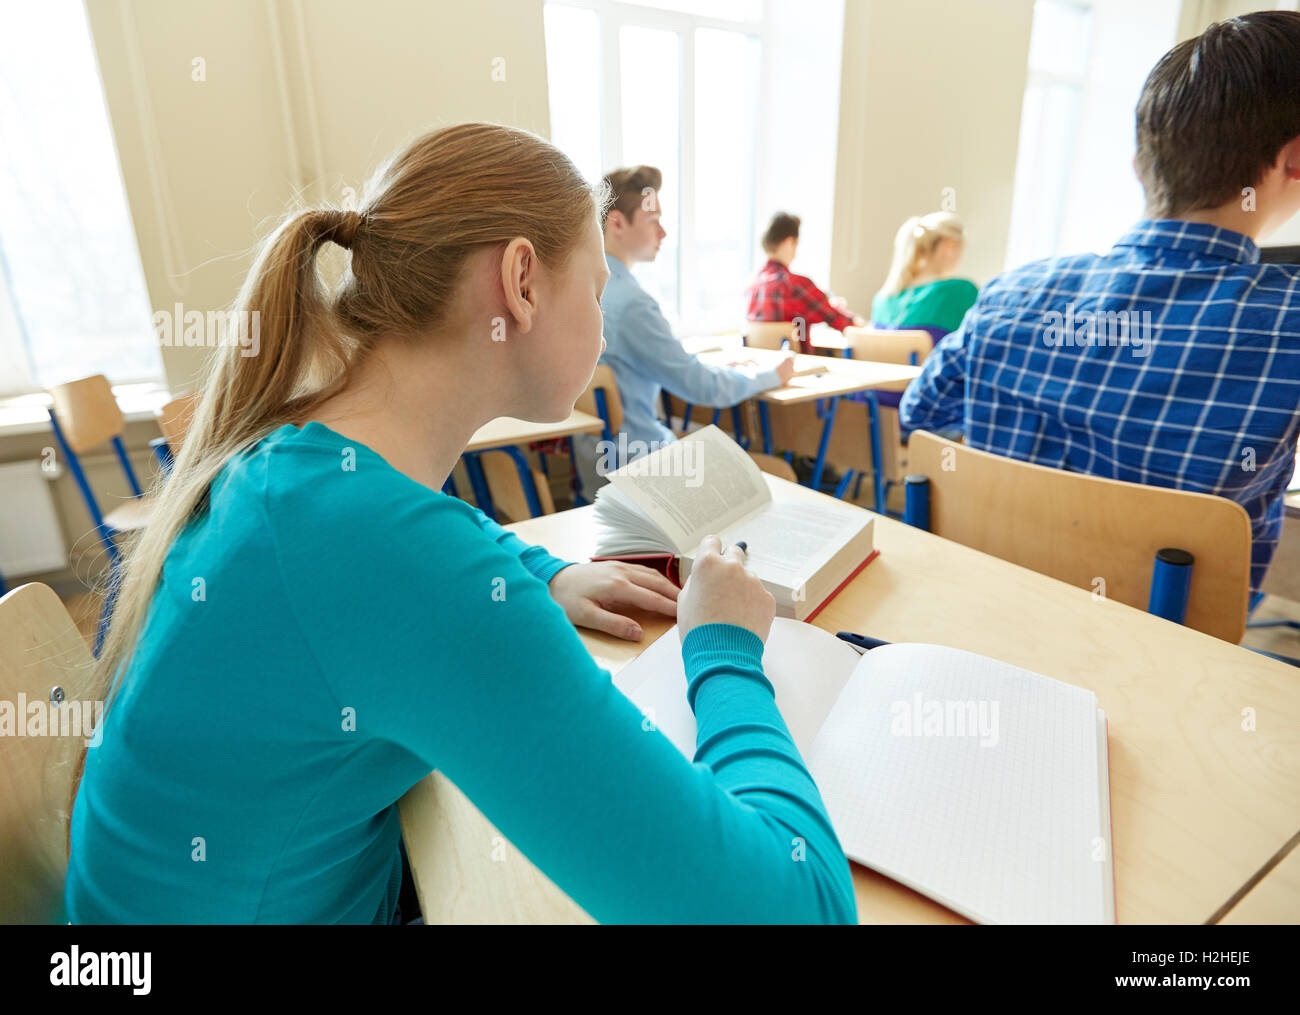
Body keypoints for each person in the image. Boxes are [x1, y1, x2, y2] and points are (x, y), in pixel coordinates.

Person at [61, 124, 856, 925]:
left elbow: (426, 535)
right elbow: (797, 913)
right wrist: (722, 645)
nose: (605, 325)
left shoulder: (297, 463)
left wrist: (548, 572)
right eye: (595, 288)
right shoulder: (392, 556)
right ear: (522, 281)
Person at [900, 11, 1300, 595]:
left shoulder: (1008, 294)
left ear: (1141, 168)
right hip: (1161, 665)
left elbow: (922, 421)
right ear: (1294, 161)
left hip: (978, 619)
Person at [573, 166, 794, 493]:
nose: (663, 233)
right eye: (653, 221)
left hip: (595, 465)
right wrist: (773, 375)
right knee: (781, 475)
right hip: (642, 473)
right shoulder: (633, 303)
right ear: (617, 222)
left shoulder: (581, 289)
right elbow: (703, 388)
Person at [871, 212, 978, 412]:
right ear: (949, 246)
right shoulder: (960, 291)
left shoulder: (883, 298)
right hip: (925, 415)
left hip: (873, 417)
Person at [746, 211, 862, 354]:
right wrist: (859, 322)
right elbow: (838, 320)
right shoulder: (795, 285)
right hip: (796, 368)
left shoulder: (752, 284)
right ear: (789, 242)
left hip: (762, 370)